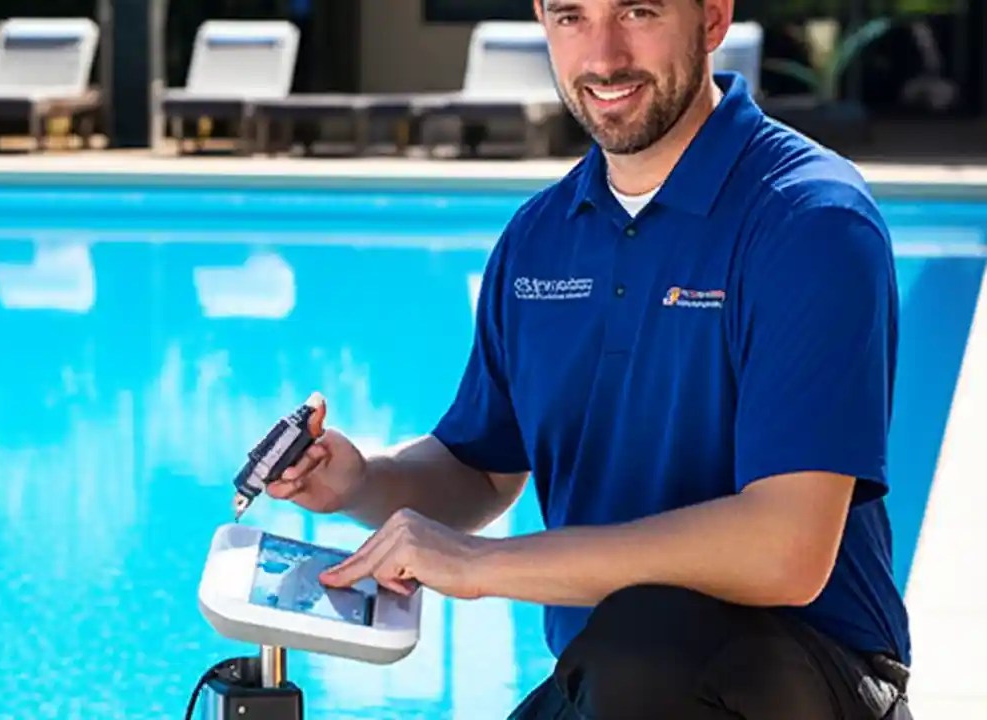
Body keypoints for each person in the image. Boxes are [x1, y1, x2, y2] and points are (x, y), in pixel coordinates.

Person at [267, 1, 914, 718]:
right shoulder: (541, 236)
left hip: (801, 679)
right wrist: (363, 481)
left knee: (644, 644)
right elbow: (480, 467)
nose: (604, 57)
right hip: (613, 682)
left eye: (638, 10)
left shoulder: (808, 221)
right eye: (573, 16)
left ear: (713, 18)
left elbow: (786, 550)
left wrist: (481, 567)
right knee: (626, 657)